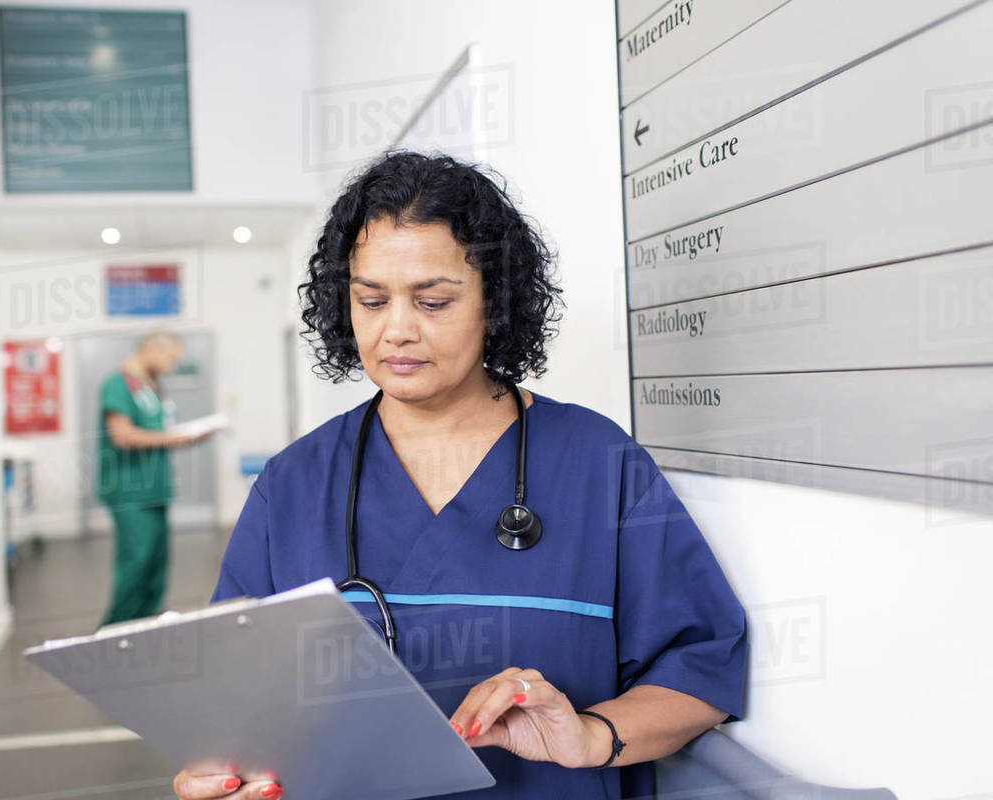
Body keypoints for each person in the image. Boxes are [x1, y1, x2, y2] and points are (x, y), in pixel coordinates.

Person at [172, 152, 747, 800]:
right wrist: (218, 775)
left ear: (494, 305)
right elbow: (233, 699)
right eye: (371, 299)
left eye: (434, 300)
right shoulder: (295, 485)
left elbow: (701, 667)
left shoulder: (597, 464)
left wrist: (590, 734)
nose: (397, 330)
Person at [97, 330, 212, 626]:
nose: (173, 366)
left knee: (156, 565)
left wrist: (188, 437)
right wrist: (171, 439)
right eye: (171, 358)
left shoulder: (152, 387)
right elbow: (121, 435)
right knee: (135, 564)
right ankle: (113, 633)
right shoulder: (118, 384)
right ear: (151, 350)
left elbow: (159, 432)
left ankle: (145, 628)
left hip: (155, 488)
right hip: (129, 490)